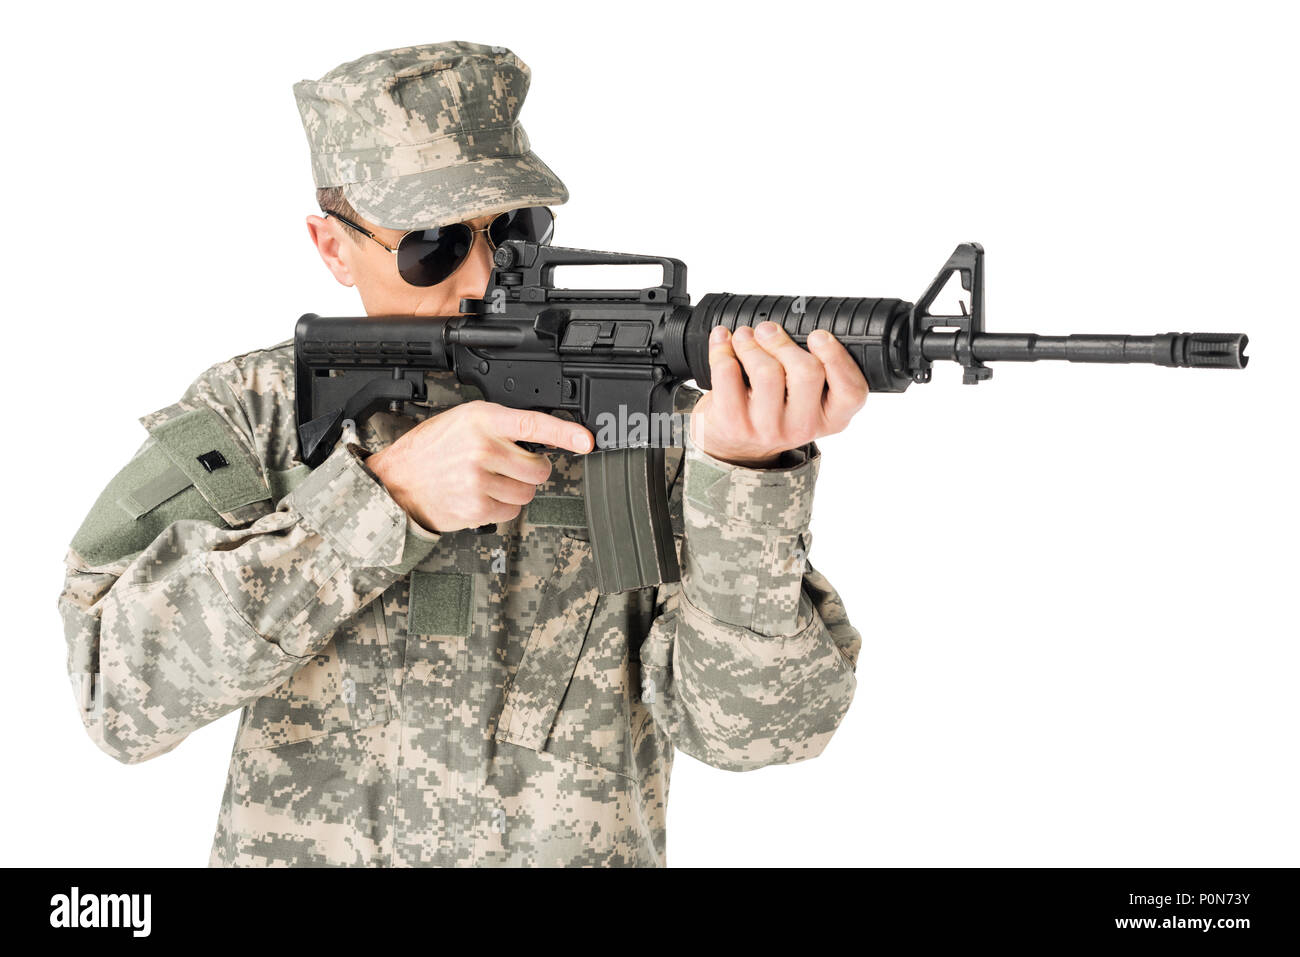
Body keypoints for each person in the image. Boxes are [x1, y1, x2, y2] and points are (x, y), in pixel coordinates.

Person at [56, 41, 866, 867]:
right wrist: (380, 505)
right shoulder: (259, 412)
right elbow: (115, 694)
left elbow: (762, 733)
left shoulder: (639, 422)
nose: (482, 274)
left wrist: (746, 479)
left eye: (513, 232)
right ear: (333, 247)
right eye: (433, 244)